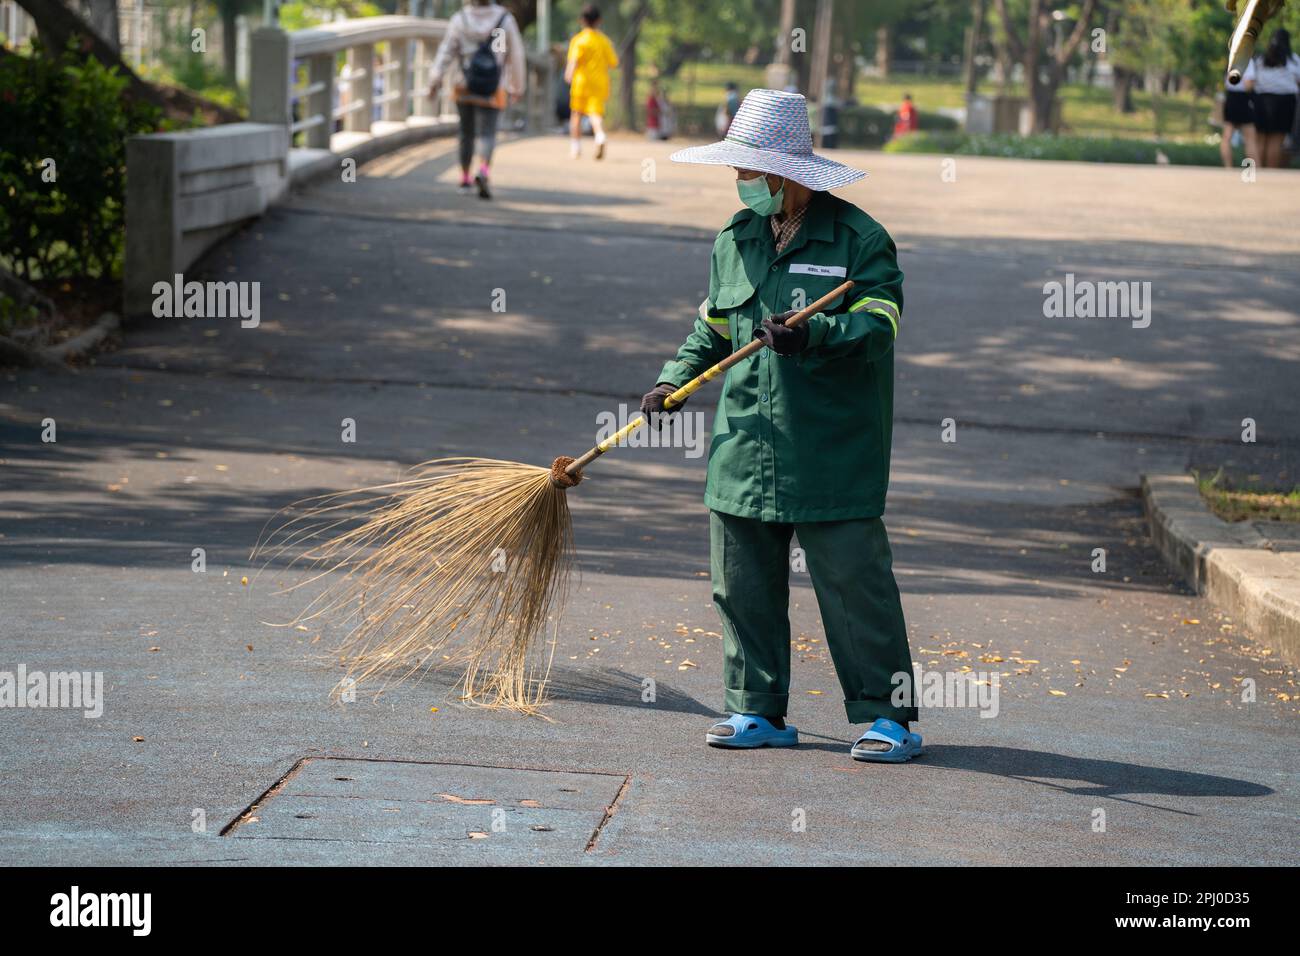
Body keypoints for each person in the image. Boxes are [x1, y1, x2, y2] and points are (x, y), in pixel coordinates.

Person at [640, 89, 920, 762]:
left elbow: (881, 324)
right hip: (745, 443)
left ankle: (890, 719)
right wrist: (673, 379)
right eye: (734, 170)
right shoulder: (734, 241)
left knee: (857, 585)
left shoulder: (859, 240)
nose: (739, 183)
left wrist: (816, 333)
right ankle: (756, 709)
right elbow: (712, 328)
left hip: (831, 447)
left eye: (747, 170)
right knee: (739, 581)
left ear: (787, 172)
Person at [427, 0, 526, 199]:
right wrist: (517, 86)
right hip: (493, 87)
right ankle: (483, 171)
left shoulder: (460, 19)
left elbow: (446, 51)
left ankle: (464, 178)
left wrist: (434, 79)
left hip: (464, 84)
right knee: (488, 133)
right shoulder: (504, 20)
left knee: (466, 133)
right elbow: (514, 54)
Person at [565, 4, 618, 160]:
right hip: (599, 84)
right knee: (595, 114)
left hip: (581, 83)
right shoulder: (604, 41)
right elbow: (614, 62)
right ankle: (600, 135)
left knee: (576, 115)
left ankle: (575, 149)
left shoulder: (579, 40)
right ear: (599, 21)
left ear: (582, 20)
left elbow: (573, 60)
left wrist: (568, 74)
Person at [1242, 28, 1300, 168]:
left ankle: (1259, 172)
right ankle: (1271, 175)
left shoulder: (1261, 60)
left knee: (1260, 140)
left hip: (1262, 101)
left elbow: (1252, 82)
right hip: (1285, 103)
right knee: (1276, 141)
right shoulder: (1294, 60)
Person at [1222, 68, 1256, 168]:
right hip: (1243, 99)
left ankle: (1228, 167)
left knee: (1227, 136)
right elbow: (1248, 85)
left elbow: (1228, 81)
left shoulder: (1232, 60)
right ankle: (1255, 168)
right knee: (1250, 139)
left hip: (1231, 98)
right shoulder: (1247, 62)